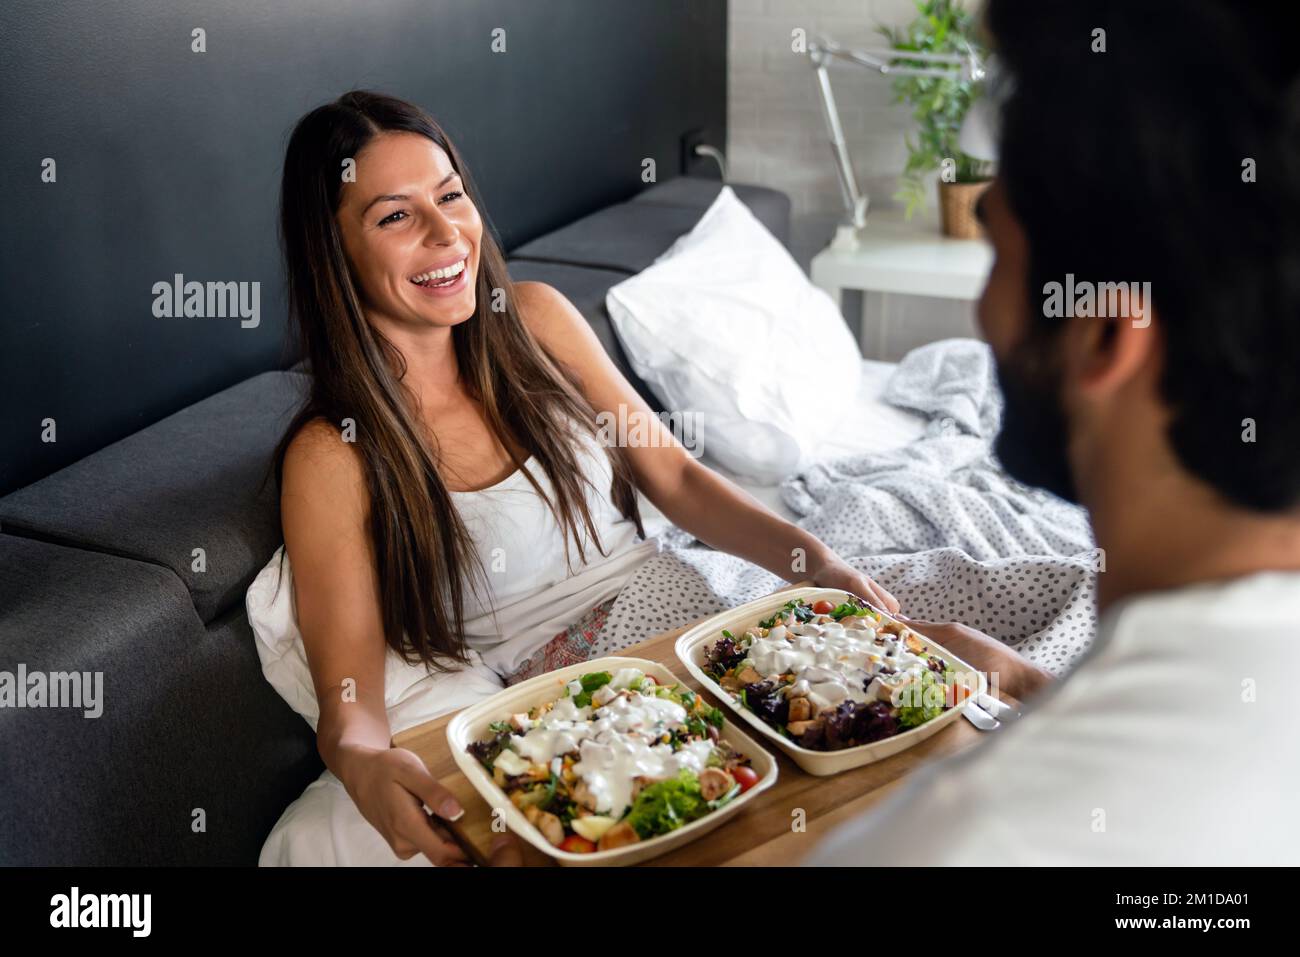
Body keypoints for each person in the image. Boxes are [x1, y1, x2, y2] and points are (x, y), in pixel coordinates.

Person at [248, 90, 899, 866]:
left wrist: (811, 561)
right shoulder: (335, 454)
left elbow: (678, 480)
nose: (446, 230)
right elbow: (348, 696)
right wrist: (360, 764)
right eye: (395, 216)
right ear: (335, 250)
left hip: (695, 592)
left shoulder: (539, 319)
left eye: (450, 195)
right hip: (603, 679)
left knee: (966, 647)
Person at [804, 0, 1300, 866]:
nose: (982, 313)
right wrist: (1040, 687)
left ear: (1105, 331)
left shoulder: (958, 842)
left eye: (997, 256)